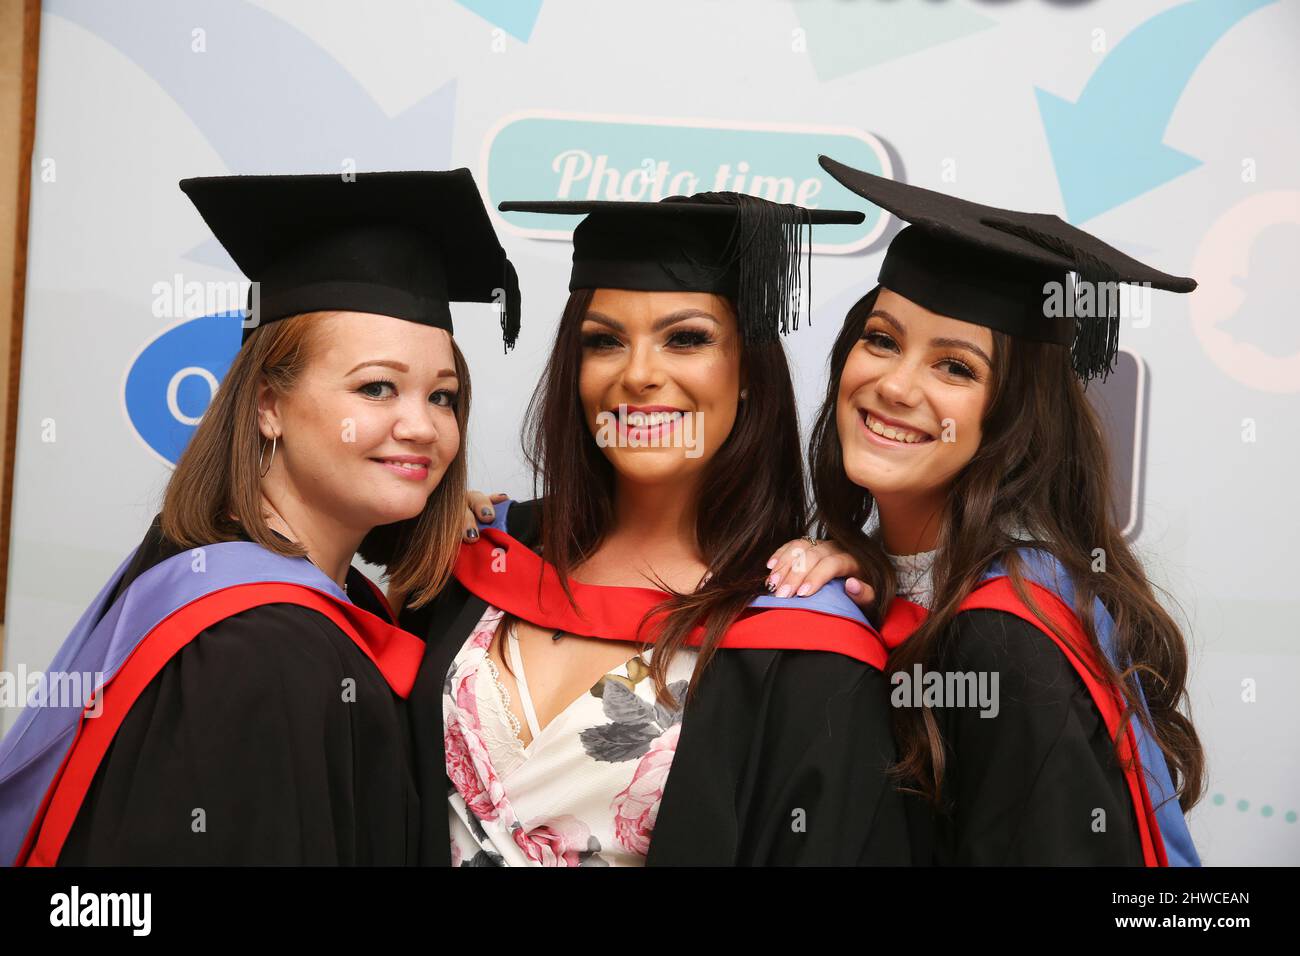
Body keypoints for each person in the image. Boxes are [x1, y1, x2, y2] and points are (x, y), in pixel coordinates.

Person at [0, 168, 520, 865]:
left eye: (443, 397)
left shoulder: (217, 572)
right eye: (376, 388)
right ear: (267, 405)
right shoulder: (261, 648)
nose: (422, 426)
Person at [398, 192, 914, 866]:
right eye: (604, 341)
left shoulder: (799, 634)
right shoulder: (485, 560)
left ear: (748, 373)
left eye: (687, 338)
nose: (639, 374)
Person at [765, 156, 1204, 865]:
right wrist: (873, 573)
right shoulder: (951, 590)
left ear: (1013, 419)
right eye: (882, 340)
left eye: (955, 367)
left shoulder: (1006, 638)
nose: (896, 385)